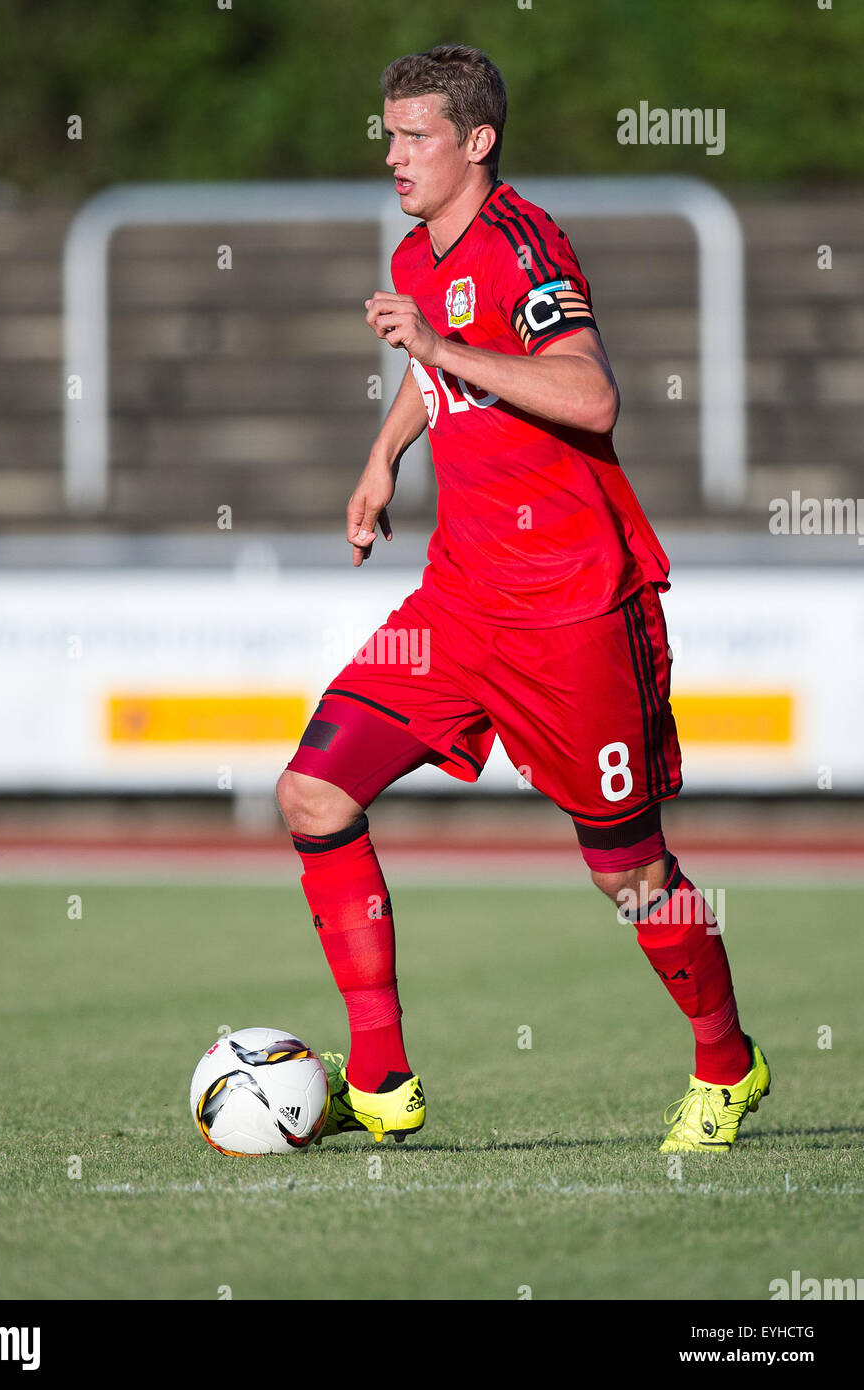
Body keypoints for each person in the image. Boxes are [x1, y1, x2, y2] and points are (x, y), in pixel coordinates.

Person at [275, 44, 769, 1151]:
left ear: (477, 142)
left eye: (416, 136)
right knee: (313, 792)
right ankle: (382, 1079)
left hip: (577, 611)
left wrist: (443, 342)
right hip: (459, 607)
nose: (393, 154)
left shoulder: (524, 242)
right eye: (388, 133)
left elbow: (592, 395)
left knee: (632, 874)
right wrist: (383, 456)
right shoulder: (417, 255)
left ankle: (727, 1064)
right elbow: (433, 370)